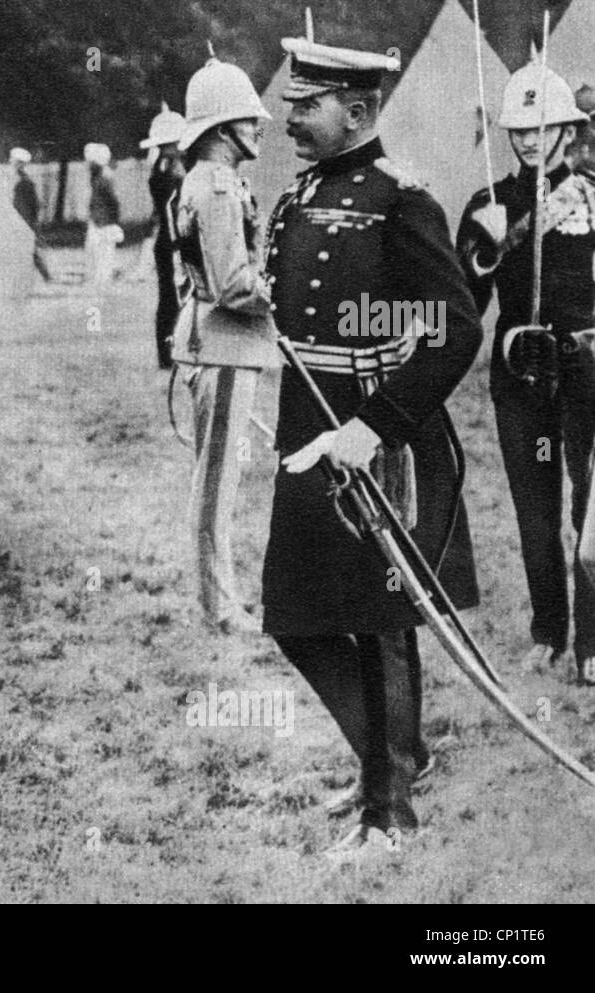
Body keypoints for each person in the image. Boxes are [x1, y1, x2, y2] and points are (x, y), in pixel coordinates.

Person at [263, 37, 482, 859]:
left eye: (306, 105)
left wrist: (373, 426)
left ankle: (389, 811)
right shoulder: (302, 195)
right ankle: (392, 754)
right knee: (295, 610)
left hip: (378, 432)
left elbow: (454, 328)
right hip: (307, 424)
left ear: (356, 113)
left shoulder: (402, 200)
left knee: (380, 617)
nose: (289, 118)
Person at [458, 63, 595, 683]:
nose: (531, 142)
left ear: (567, 129)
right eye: (520, 131)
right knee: (535, 511)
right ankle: (548, 631)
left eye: (543, 129)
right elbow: (465, 306)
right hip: (520, 375)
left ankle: (593, 642)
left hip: (586, 373)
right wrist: (482, 255)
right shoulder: (488, 204)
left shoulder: (591, 198)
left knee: (589, 513)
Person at [171, 59, 275, 636]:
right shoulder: (213, 185)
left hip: (223, 345)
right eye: (247, 119)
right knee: (216, 487)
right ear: (220, 129)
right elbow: (234, 285)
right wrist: (285, 295)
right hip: (225, 345)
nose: (259, 128)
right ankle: (219, 607)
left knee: (219, 481)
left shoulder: (219, 183)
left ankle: (222, 599)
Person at [141, 106, 186, 369]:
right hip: (171, 241)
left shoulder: (163, 165)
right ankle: (168, 353)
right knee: (171, 298)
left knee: (170, 297)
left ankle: (169, 351)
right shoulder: (168, 169)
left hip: (167, 239)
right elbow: (171, 211)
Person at [83, 141, 120, 291]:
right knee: (93, 250)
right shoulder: (96, 176)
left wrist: (112, 221)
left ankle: (102, 280)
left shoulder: (105, 177)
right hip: (97, 218)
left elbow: (113, 201)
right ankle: (95, 278)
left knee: (103, 250)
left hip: (104, 220)